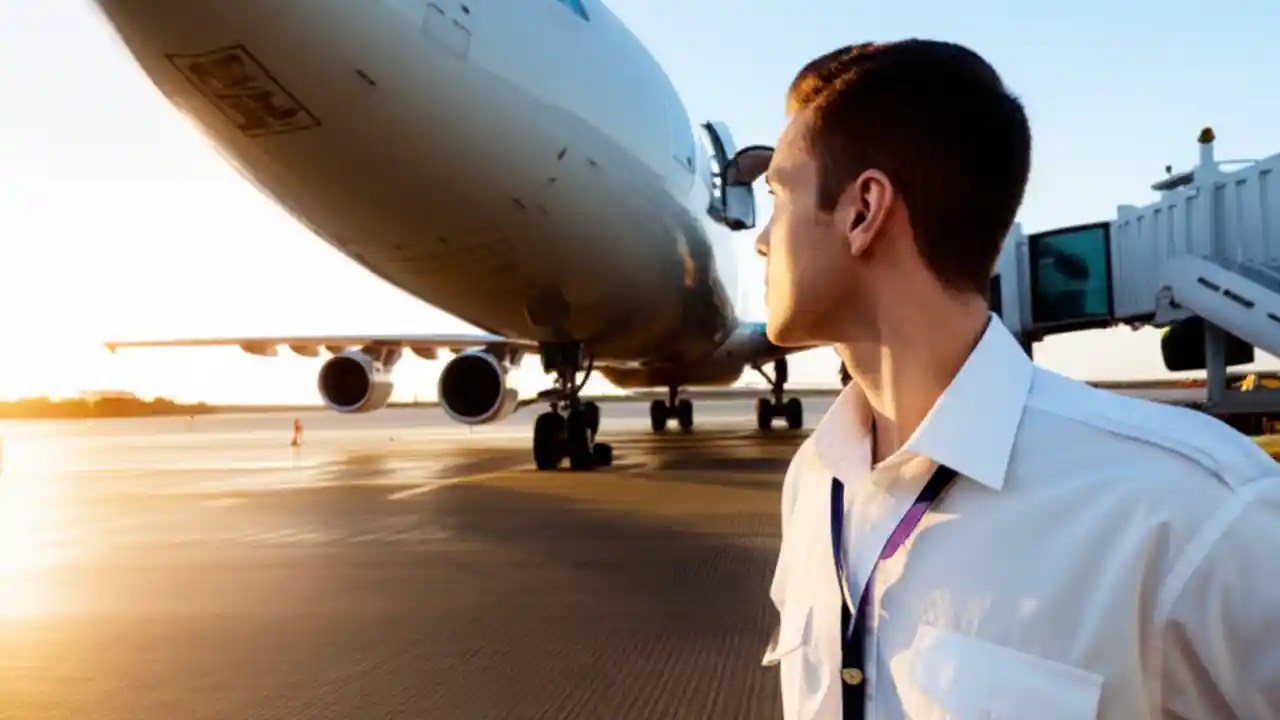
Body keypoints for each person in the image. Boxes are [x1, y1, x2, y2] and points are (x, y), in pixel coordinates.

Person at [755, 39, 1280, 719]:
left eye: (779, 196)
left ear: (863, 211)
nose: (763, 239)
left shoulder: (1194, 518)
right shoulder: (816, 481)